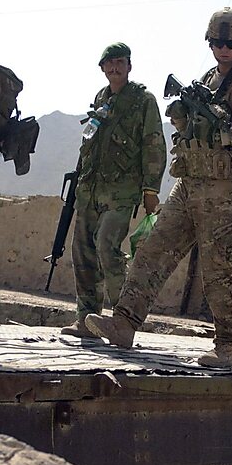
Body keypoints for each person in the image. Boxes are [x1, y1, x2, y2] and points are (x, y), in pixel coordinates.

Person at [85, 8, 232, 369]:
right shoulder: (208, 78)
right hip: (189, 183)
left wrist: (224, 134)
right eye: (218, 42)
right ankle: (124, 322)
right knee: (152, 251)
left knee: (221, 268)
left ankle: (227, 348)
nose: (224, 49)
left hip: (224, 190)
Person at [60, 42, 166, 338]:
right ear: (103, 68)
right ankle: (86, 318)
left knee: (108, 247)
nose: (115, 68)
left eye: (120, 62)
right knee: (82, 251)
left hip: (123, 190)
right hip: (91, 188)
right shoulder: (101, 99)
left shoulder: (142, 100)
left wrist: (150, 189)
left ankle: (122, 321)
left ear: (129, 66)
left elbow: (154, 143)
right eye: (110, 63)